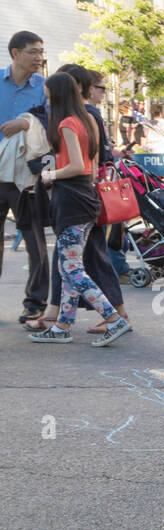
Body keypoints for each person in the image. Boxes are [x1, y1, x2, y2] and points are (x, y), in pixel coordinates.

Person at [26, 72, 129, 347]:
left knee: (71, 268)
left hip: (71, 200)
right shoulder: (88, 119)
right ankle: (62, 326)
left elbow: (75, 166)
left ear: (57, 97)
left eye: (48, 97)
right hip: (86, 198)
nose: (46, 103)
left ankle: (113, 319)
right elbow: (92, 168)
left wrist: (51, 176)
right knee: (69, 266)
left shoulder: (68, 124)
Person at [1, 30, 50, 323]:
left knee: (35, 240)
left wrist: (25, 123)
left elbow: (54, 119)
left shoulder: (44, 87)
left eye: (41, 51)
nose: (39, 57)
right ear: (15, 54)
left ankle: (35, 302)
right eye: (33, 51)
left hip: (27, 177)